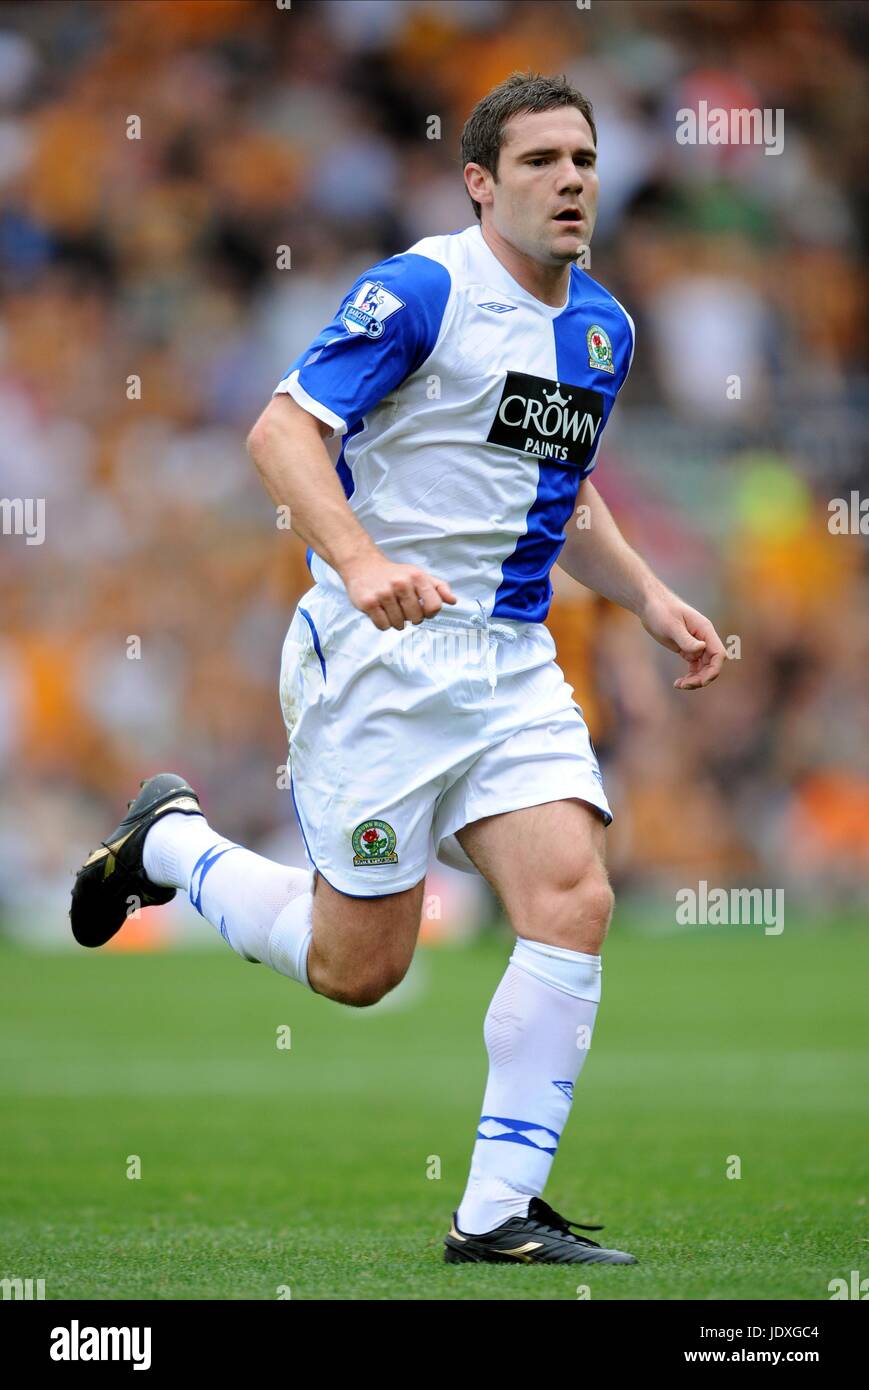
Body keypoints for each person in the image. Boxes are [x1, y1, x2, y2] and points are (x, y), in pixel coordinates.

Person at [71, 72, 725, 1266]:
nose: (570, 179)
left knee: (572, 897)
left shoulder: (602, 330)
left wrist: (649, 598)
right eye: (537, 161)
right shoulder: (420, 288)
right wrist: (361, 559)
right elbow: (281, 430)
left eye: (581, 158)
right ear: (479, 182)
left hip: (512, 665)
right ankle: (171, 843)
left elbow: (556, 491)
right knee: (355, 969)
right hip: (376, 664)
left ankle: (494, 1215)